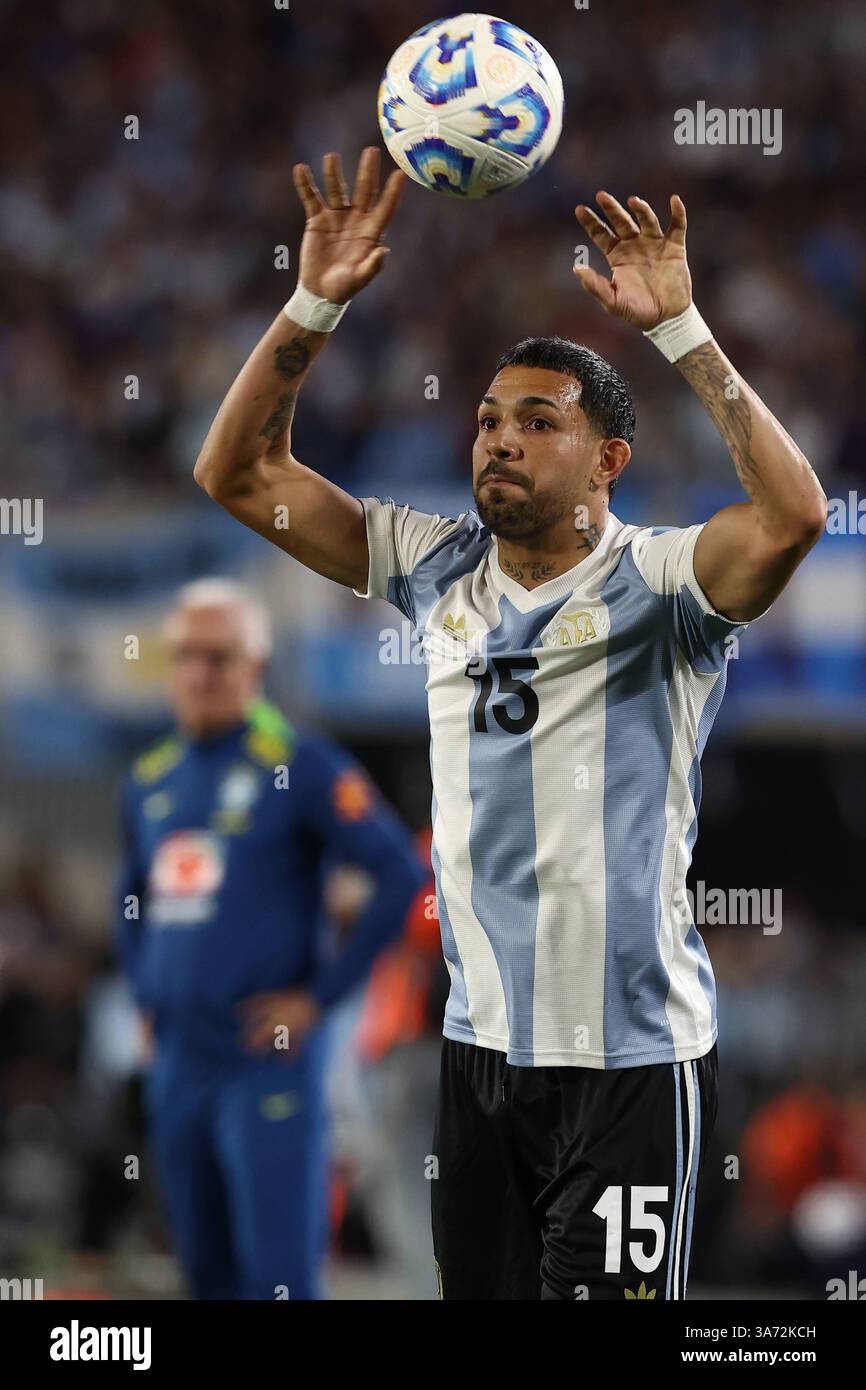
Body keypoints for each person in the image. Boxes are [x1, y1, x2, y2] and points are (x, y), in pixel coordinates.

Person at [192, 149, 827, 1300]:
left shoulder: (664, 586)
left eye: (538, 421)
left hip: (630, 1067)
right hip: (477, 1060)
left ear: (607, 463)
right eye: (488, 418)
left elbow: (793, 515)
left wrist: (682, 331)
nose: (496, 438)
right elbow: (235, 471)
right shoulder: (432, 569)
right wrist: (314, 298)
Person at [116, 577, 426, 1300]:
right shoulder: (150, 778)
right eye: (186, 656)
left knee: (278, 1281)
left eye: (219, 657)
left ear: (255, 668)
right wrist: (145, 998)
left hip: (267, 1063)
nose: (199, 673)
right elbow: (129, 895)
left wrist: (318, 1002)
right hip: (181, 1064)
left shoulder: (298, 765)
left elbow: (399, 874)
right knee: (205, 1278)